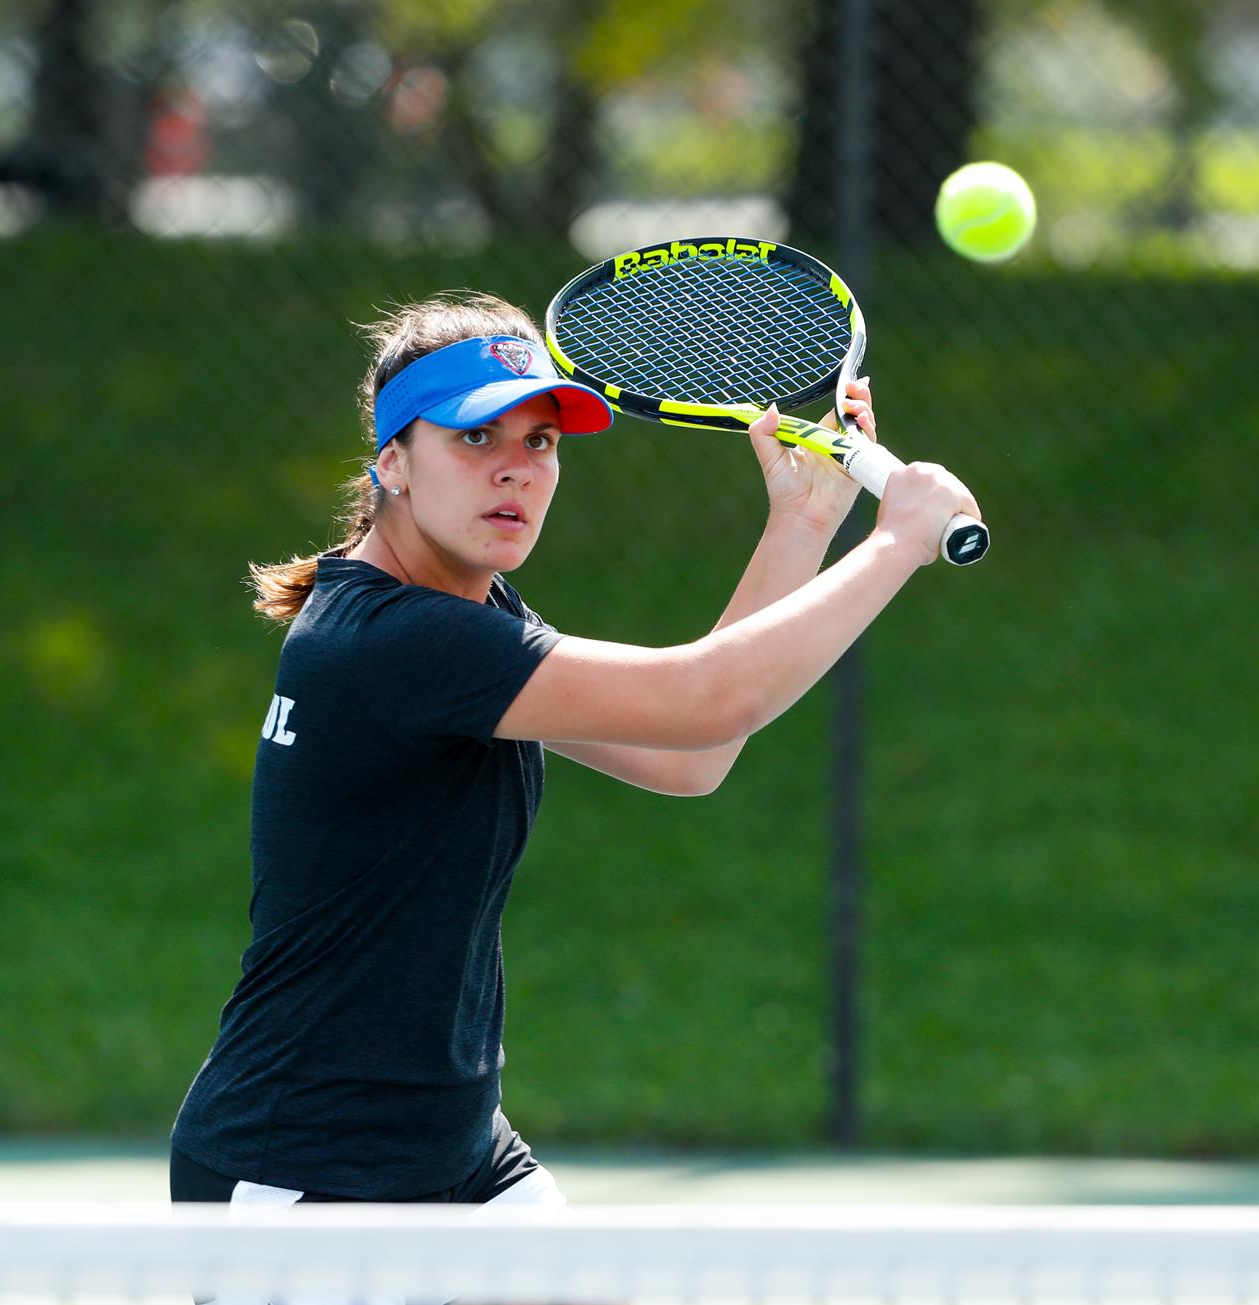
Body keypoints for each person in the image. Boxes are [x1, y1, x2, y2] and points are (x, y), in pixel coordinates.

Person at [170, 291, 979, 1212]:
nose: (516, 469)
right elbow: (706, 694)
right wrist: (897, 542)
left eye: (540, 442)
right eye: (476, 439)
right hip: (305, 1168)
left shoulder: (467, 610)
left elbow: (693, 753)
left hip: (461, 1157)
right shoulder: (393, 640)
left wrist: (801, 520)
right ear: (393, 461)